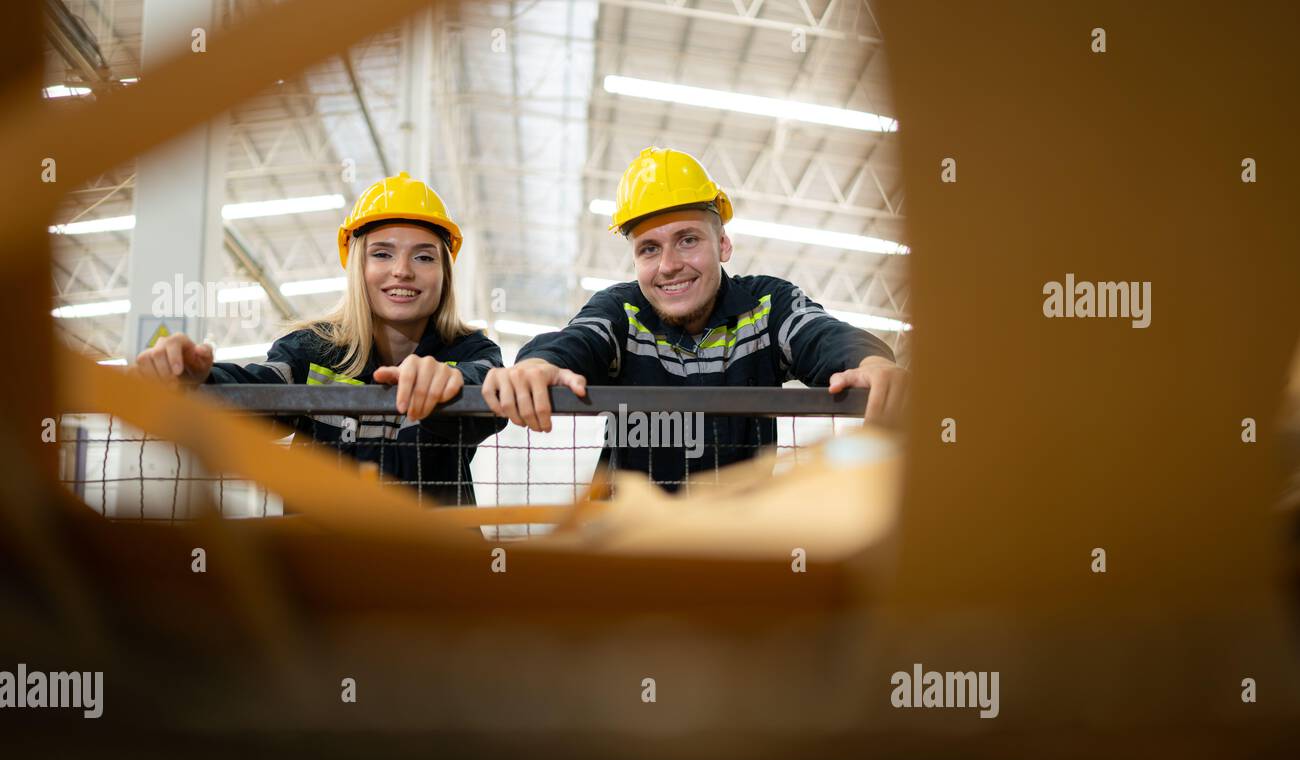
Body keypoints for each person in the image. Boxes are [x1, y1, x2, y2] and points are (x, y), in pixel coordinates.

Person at [480, 147, 910, 489]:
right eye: (649, 248)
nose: (668, 265)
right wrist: (537, 364)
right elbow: (577, 339)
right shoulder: (621, 311)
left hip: (735, 554)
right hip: (629, 554)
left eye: (687, 240)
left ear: (723, 244)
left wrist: (869, 360)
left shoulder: (766, 305)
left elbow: (818, 333)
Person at [133, 171, 504, 505]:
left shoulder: (472, 352)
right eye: (382, 254)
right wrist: (203, 381)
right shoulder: (310, 350)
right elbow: (261, 388)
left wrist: (451, 383)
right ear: (358, 265)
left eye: (424, 258)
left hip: (436, 567)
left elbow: (489, 391)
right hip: (321, 565)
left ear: (445, 274)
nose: (402, 271)